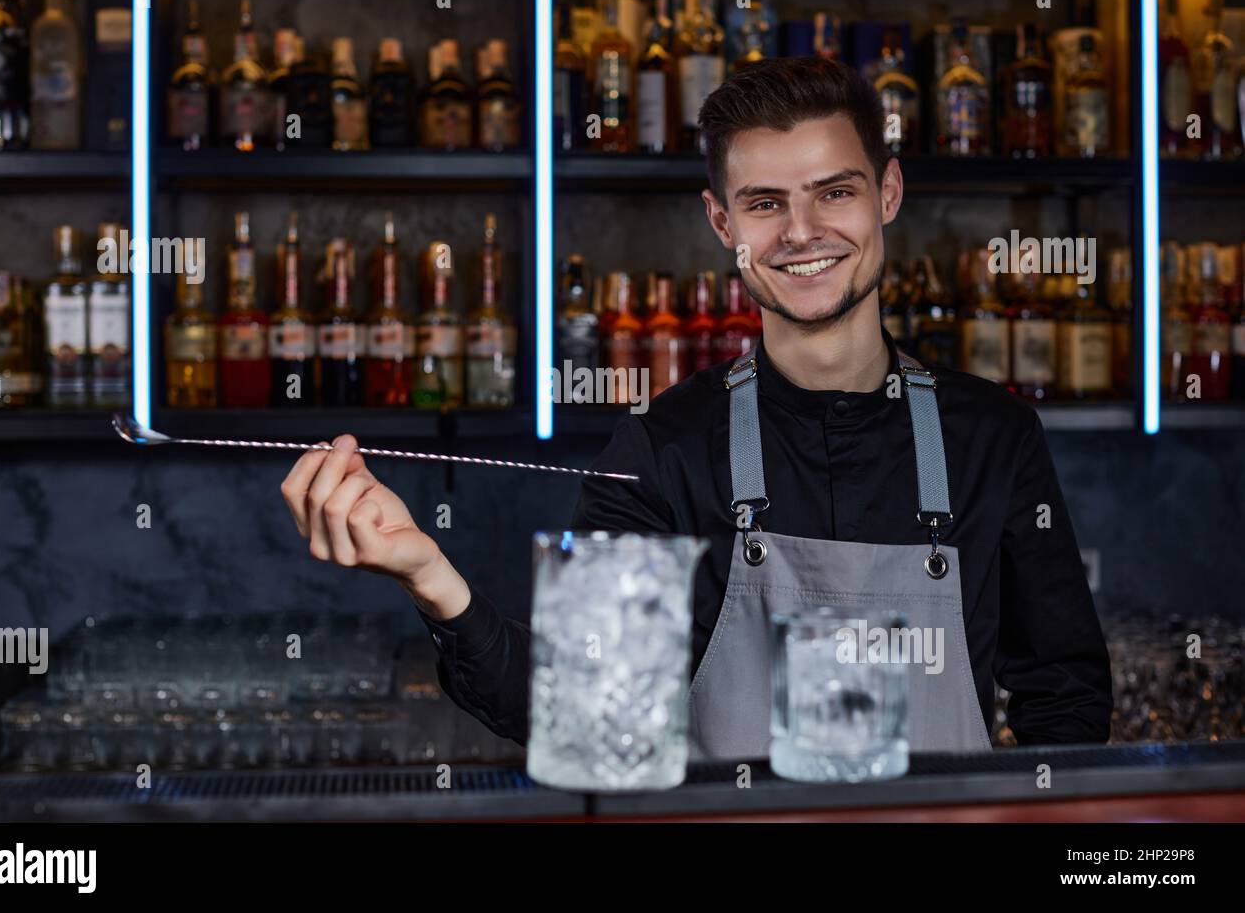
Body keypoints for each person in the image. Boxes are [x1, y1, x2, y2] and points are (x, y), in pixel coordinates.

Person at [281, 56, 1113, 759]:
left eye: (835, 192)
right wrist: (431, 577)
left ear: (887, 193)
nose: (802, 230)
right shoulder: (661, 447)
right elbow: (580, 708)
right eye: (764, 203)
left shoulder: (995, 437)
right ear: (722, 221)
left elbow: (1065, 699)